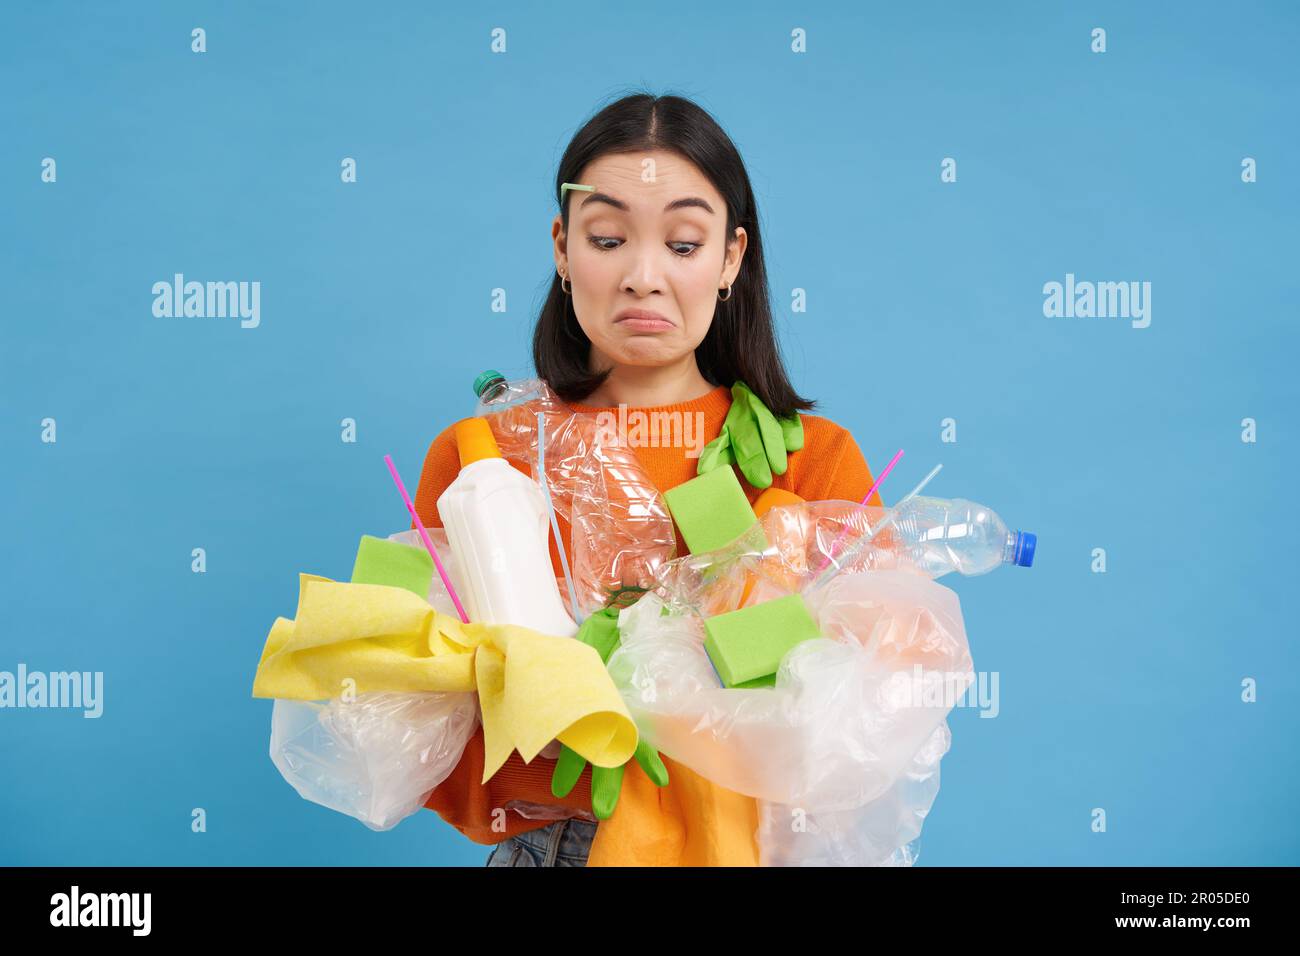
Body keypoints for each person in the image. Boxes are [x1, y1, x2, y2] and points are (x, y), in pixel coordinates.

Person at [411, 90, 882, 867]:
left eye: (685, 244)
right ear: (562, 248)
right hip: (558, 840)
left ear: (731, 258)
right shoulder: (486, 455)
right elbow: (426, 702)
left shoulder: (808, 461)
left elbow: (869, 705)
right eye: (606, 237)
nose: (642, 276)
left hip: (748, 844)